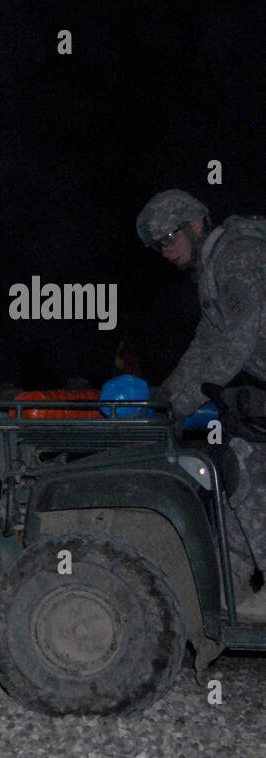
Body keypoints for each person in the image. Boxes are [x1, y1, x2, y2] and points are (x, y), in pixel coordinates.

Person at [137, 188, 266, 617]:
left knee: (242, 464)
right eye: (158, 246)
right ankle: (237, 581)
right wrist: (164, 402)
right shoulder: (212, 271)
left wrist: (184, 403)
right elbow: (203, 349)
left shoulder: (240, 254)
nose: (166, 251)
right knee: (235, 470)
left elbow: (238, 340)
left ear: (195, 224)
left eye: (170, 237)